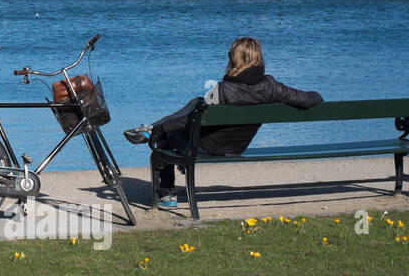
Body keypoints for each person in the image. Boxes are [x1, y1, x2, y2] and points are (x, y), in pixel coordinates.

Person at [122, 37, 323, 208]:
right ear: (259, 59)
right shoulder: (271, 87)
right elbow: (309, 98)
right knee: (196, 103)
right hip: (238, 147)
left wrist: (162, 129)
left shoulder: (222, 89)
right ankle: (153, 128)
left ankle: (166, 193)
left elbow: (191, 121)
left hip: (206, 147)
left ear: (233, 60)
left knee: (164, 139)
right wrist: (317, 96)